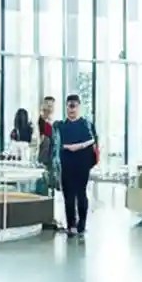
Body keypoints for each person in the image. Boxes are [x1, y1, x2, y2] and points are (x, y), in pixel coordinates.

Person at [54, 93, 97, 238]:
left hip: (82, 164)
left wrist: (75, 147)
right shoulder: (62, 126)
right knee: (68, 195)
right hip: (67, 164)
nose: (71, 109)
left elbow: (92, 141)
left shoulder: (85, 124)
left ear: (79, 107)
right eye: (69, 106)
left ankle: (82, 224)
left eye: (74, 106)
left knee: (81, 193)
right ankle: (71, 224)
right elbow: (58, 145)